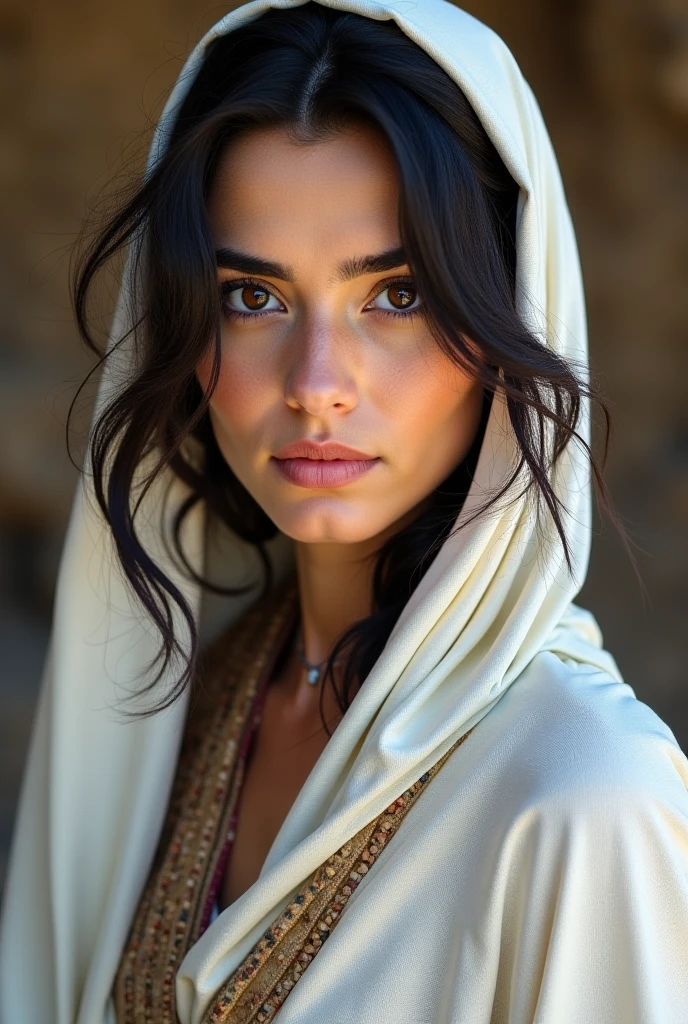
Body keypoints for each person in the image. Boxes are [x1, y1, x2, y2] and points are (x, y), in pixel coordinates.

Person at [1, 0, 687, 1021]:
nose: (316, 383)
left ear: (507, 322)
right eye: (253, 297)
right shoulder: (204, 700)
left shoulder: (589, 798)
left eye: (397, 296)